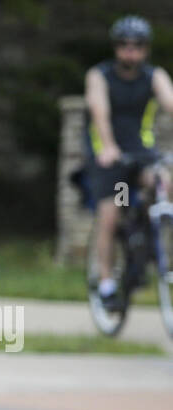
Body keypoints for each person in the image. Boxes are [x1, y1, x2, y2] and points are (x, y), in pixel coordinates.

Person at [84, 15, 173, 310]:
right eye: (124, 45)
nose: (130, 52)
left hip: (141, 150)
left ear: (145, 49)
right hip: (109, 153)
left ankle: (149, 239)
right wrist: (109, 147)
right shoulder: (100, 75)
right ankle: (107, 282)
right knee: (110, 216)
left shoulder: (154, 76)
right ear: (116, 48)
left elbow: (171, 103)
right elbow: (99, 112)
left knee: (164, 184)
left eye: (136, 46)